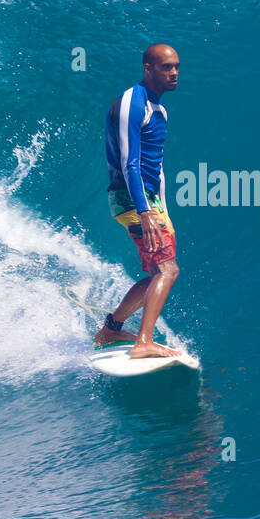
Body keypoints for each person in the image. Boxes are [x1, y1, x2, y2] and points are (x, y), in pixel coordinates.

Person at [94, 43, 183, 358]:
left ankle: (110, 331)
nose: (173, 73)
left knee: (159, 271)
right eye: (165, 67)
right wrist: (145, 211)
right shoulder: (134, 102)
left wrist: (160, 209)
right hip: (132, 199)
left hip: (149, 201)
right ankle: (143, 342)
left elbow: (154, 166)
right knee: (166, 271)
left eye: (176, 67)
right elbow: (130, 162)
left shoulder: (159, 109)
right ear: (148, 69)